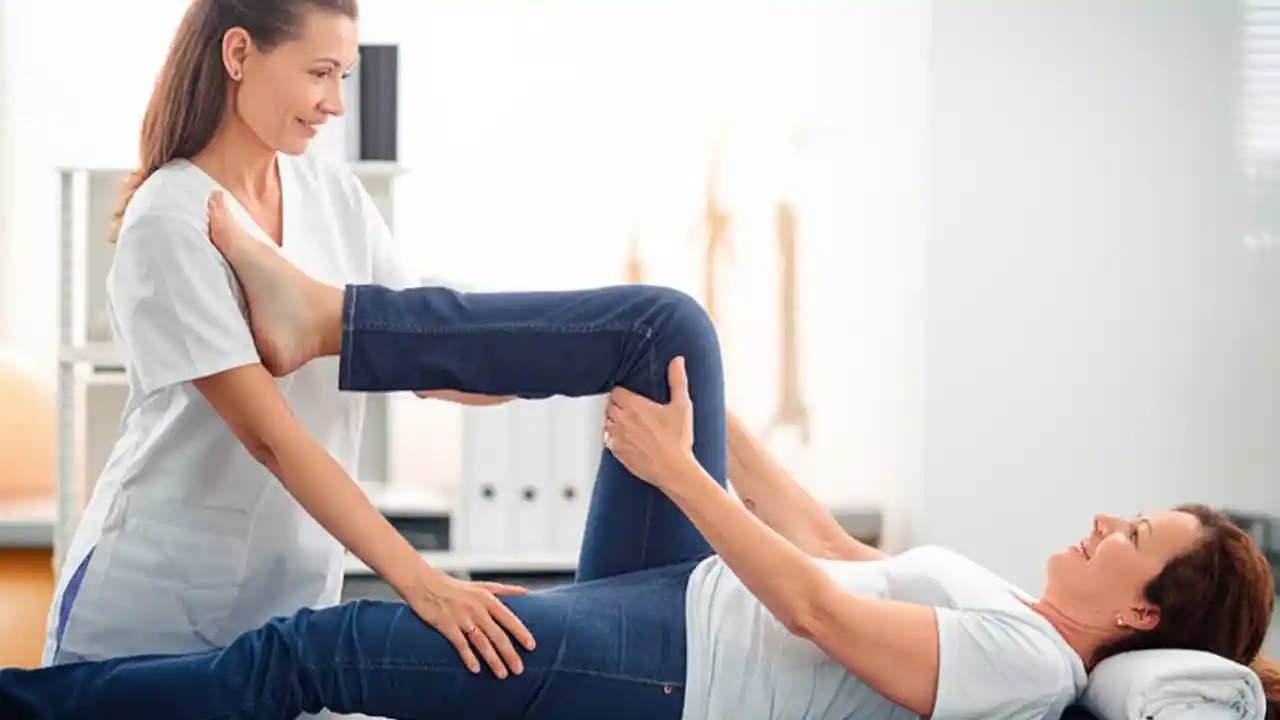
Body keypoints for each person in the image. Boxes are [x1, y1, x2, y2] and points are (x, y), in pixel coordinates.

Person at [5, 206, 1276, 719]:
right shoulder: (1006, 608)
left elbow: (815, 608)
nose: (1106, 518)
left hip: (674, 671)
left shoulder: (1032, 666)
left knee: (318, 653)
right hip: (687, 603)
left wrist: (679, 474)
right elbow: (836, 551)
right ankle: (329, 318)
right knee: (663, 328)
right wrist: (714, 427)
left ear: (1140, 613)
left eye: (1134, 535)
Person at [44, 0, 537, 696]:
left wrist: (579, 368)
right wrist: (423, 584)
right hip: (152, 613)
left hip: (286, 602)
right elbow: (270, 435)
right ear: (239, 54)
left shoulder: (332, 194)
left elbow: (427, 359)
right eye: (320, 72)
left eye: (345, 76)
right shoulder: (172, 217)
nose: (335, 103)